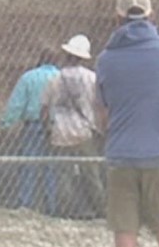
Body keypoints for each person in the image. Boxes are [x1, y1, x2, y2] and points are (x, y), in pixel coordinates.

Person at [95, 0, 159, 247]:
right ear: (151, 15)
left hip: (122, 155)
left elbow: (102, 111)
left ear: (117, 17)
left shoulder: (106, 59)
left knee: (125, 235)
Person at [41, 33, 105, 218]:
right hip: (84, 131)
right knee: (91, 174)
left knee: (63, 174)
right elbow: (99, 105)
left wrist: (47, 128)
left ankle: (65, 211)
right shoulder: (91, 78)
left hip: (60, 132)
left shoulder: (55, 79)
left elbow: (44, 108)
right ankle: (99, 209)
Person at [0, 45, 61, 214]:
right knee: (51, 166)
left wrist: (6, 123)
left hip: (33, 124)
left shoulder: (28, 77)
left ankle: (26, 202)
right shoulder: (61, 78)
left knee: (28, 164)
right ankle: (51, 205)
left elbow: (17, 104)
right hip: (56, 126)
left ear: (39, 59)